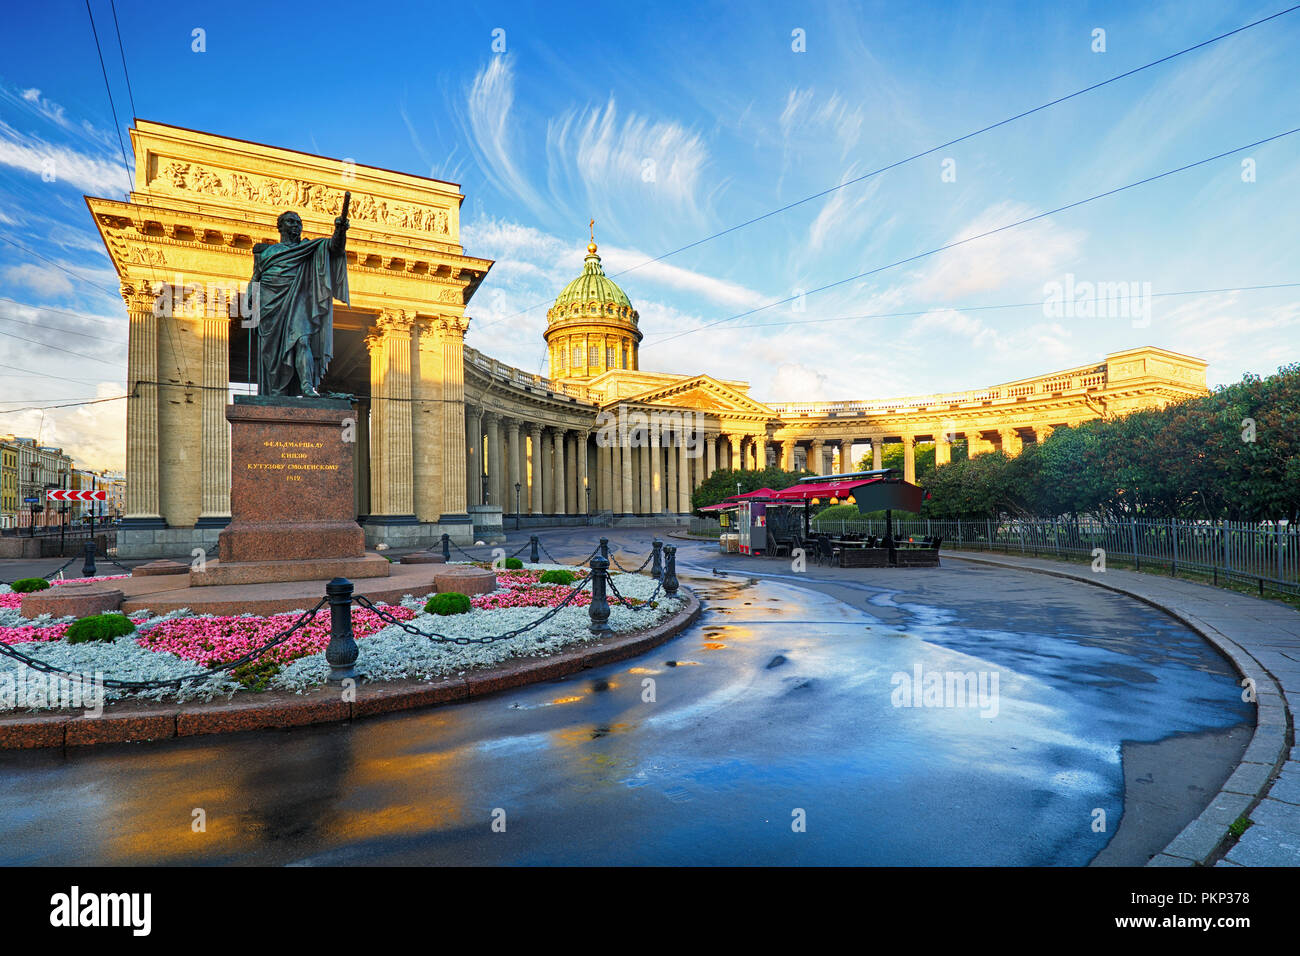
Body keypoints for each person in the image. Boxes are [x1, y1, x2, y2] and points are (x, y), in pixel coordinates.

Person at [248, 206, 349, 396]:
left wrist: (340, 230)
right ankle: (277, 391)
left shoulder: (308, 248)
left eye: (299, 223)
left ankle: (306, 386)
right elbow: (256, 277)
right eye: (291, 222)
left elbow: (334, 247)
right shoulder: (266, 252)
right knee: (272, 354)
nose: (296, 226)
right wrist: (249, 302)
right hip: (270, 303)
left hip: (298, 300)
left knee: (302, 340)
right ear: (280, 227)